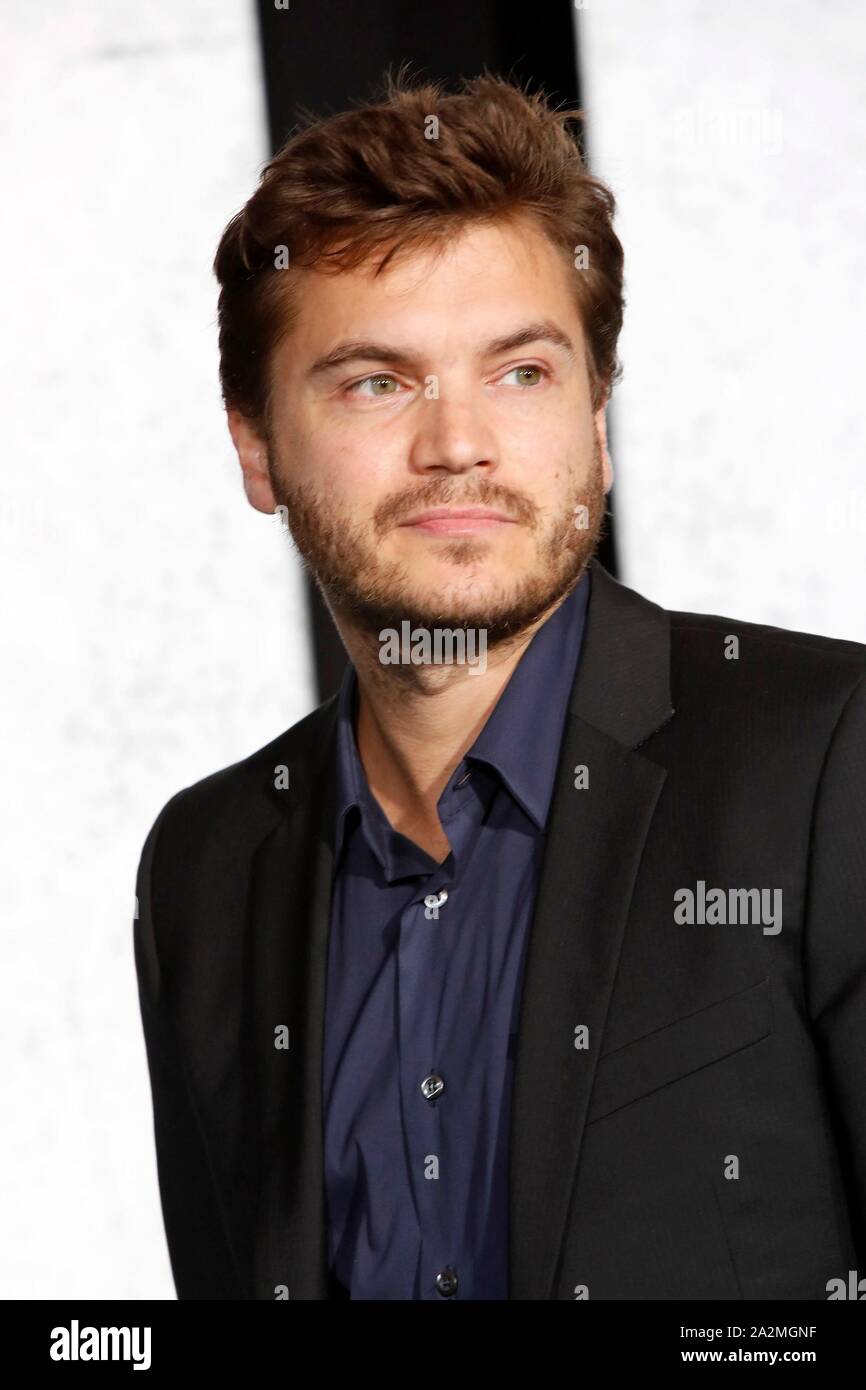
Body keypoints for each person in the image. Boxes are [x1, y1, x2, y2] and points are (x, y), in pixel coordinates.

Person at [134, 70, 866, 1300]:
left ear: (596, 426)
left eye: (519, 372)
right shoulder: (209, 866)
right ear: (256, 447)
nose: (457, 442)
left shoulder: (825, 759)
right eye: (376, 381)